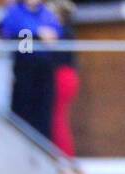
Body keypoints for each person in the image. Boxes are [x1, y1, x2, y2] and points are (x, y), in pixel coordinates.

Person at [0, 1, 62, 141]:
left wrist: (48, 34)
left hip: (44, 68)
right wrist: (38, 32)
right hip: (24, 68)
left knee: (43, 113)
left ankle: (42, 153)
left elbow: (56, 32)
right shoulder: (14, 12)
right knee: (23, 111)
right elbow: (12, 30)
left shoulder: (47, 12)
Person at [49, 0, 79, 156]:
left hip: (63, 76)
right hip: (66, 75)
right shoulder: (63, 30)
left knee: (58, 118)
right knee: (58, 118)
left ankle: (64, 156)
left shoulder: (62, 31)